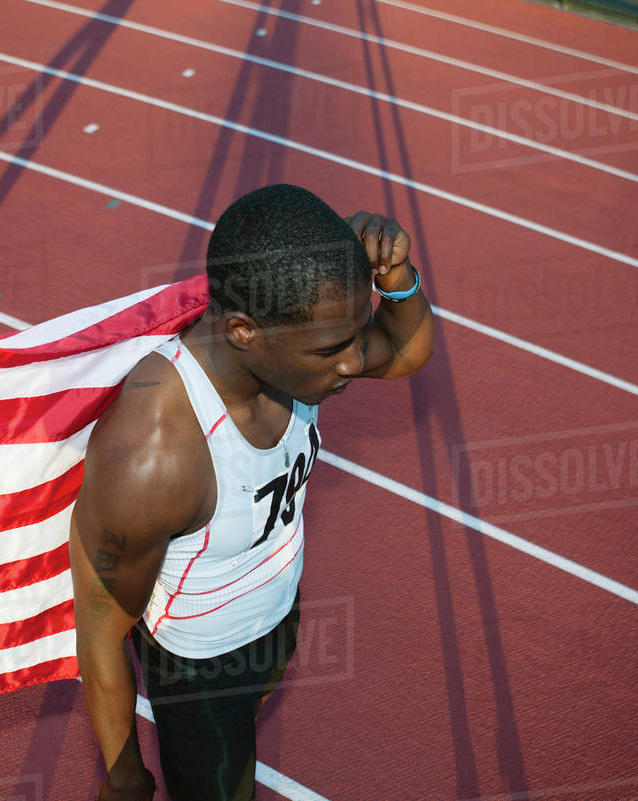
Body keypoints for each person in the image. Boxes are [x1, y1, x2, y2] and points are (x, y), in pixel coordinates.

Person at [69, 184, 434, 801]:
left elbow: (402, 349)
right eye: (332, 350)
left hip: (275, 611)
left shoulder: (294, 347)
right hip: (200, 671)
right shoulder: (155, 457)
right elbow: (102, 626)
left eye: (354, 336)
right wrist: (124, 773)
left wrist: (396, 280)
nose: (352, 363)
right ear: (243, 331)